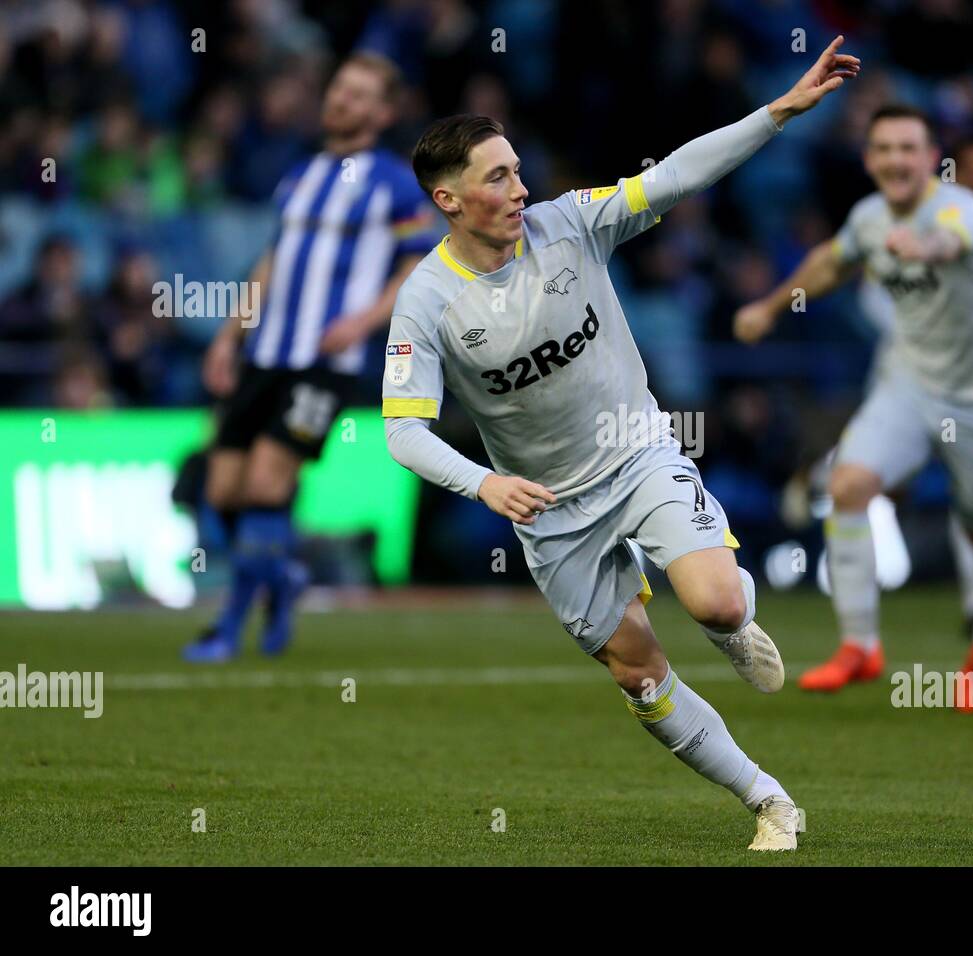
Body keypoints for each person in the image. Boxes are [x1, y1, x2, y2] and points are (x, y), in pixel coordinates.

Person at [383, 37, 860, 850]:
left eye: (517, 169)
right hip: (548, 510)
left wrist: (779, 112)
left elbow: (676, 174)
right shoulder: (425, 301)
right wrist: (485, 485)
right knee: (640, 676)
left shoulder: (569, 224)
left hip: (635, 454)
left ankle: (733, 622)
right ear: (448, 200)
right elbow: (401, 431)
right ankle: (770, 800)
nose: (519, 187)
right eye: (496, 177)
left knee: (716, 602)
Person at [735, 105, 973, 710]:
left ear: (930, 159)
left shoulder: (960, 208)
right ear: (869, 159)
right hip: (910, 384)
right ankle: (860, 646)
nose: (896, 159)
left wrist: (923, 245)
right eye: (884, 149)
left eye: (909, 148)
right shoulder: (869, 218)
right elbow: (831, 261)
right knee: (847, 486)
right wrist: (769, 306)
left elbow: (952, 238)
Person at [183, 53, 436, 662]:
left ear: (381, 112)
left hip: (324, 362)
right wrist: (228, 337)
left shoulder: (394, 183)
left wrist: (362, 322)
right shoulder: (297, 176)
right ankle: (284, 578)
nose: (342, 100)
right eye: (339, 90)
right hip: (265, 354)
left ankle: (228, 628)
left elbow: (417, 262)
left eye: (359, 95)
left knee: (269, 484)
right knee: (223, 491)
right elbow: (271, 262)